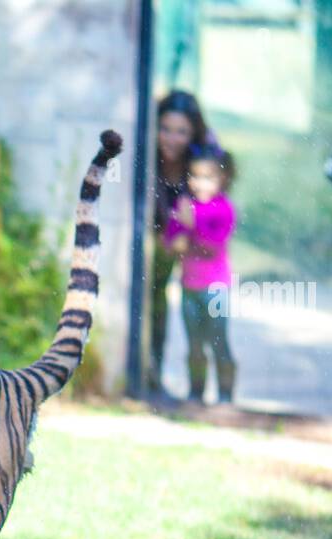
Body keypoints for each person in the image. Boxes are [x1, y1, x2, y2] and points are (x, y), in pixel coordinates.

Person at [148, 91, 212, 401]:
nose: (172, 138)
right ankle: (151, 375)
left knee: (197, 314)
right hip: (156, 248)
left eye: (182, 131)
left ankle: (199, 391)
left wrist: (193, 228)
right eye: (166, 129)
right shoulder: (146, 156)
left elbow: (218, 205)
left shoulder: (202, 165)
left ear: (194, 133)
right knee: (154, 303)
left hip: (196, 253)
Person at [164, 146, 237, 404]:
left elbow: (213, 246)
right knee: (194, 345)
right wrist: (178, 238)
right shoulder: (185, 206)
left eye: (208, 177)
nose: (200, 183)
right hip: (188, 287)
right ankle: (196, 393)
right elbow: (172, 242)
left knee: (219, 341)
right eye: (195, 176)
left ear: (223, 178)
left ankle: (226, 395)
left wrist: (191, 225)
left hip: (215, 288)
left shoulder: (223, 209)